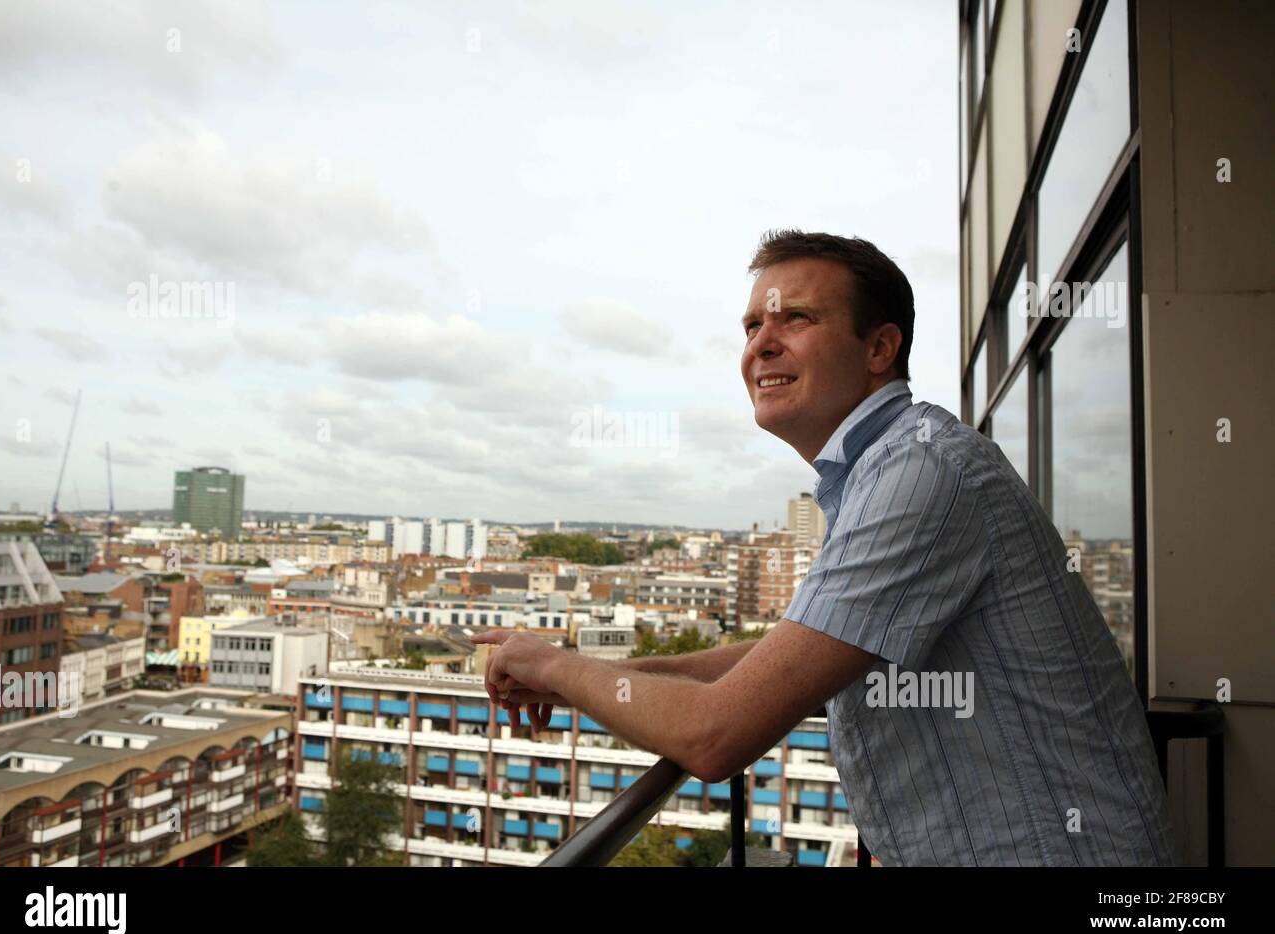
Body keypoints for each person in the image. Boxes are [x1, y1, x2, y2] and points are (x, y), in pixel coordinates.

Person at [475, 229, 1178, 865]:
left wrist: (552, 663)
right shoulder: (883, 470)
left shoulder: (923, 473)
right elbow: (779, 658)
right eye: (753, 325)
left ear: (879, 348)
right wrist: (587, 680)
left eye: (796, 318)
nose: (761, 343)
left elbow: (716, 736)